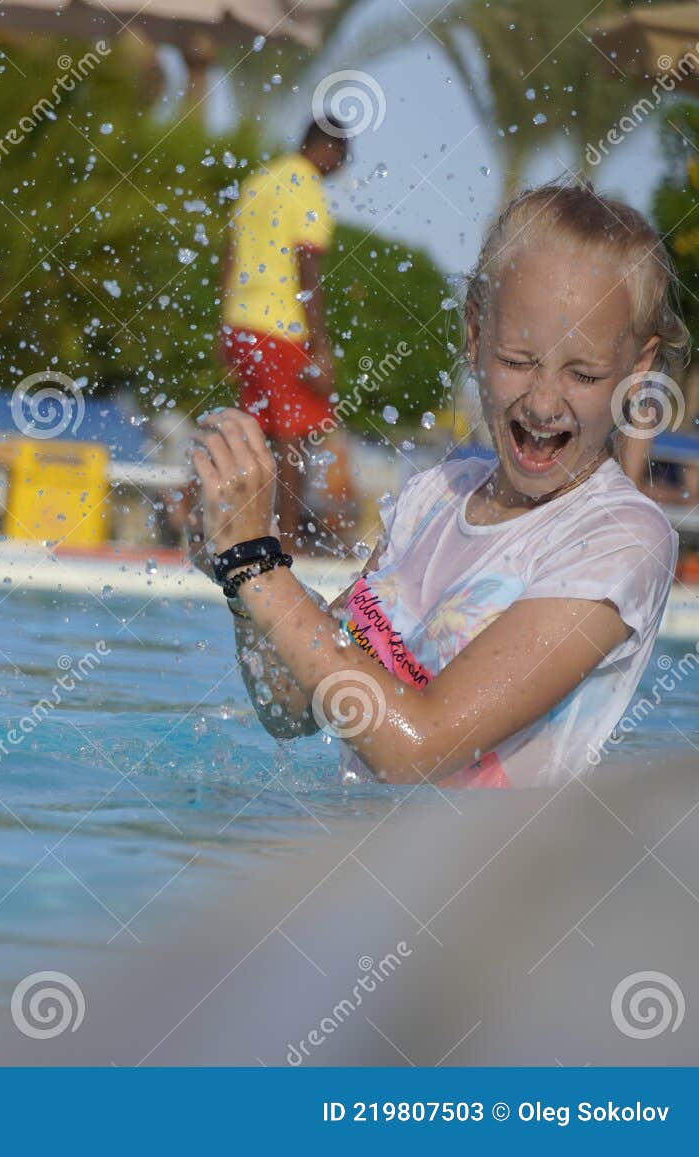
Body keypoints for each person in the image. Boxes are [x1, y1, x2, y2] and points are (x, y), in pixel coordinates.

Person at [191, 183, 683, 788]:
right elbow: (292, 706)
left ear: (637, 369)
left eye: (583, 373)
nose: (544, 401)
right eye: (517, 361)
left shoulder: (617, 539)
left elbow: (414, 751)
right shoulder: (435, 497)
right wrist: (239, 579)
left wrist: (257, 565)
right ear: (475, 332)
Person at [219, 117, 351, 549]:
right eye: (342, 157)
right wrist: (320, 346)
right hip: (280, 326)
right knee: (296, 430)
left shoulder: (259, 181)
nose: (340, 168)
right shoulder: (306, 185)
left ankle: (226, 522)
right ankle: (288, 541)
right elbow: (307, 267)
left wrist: (225, 323)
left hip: (241, 322)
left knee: (252, 431)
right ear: (327, 149)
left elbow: (230, 253)